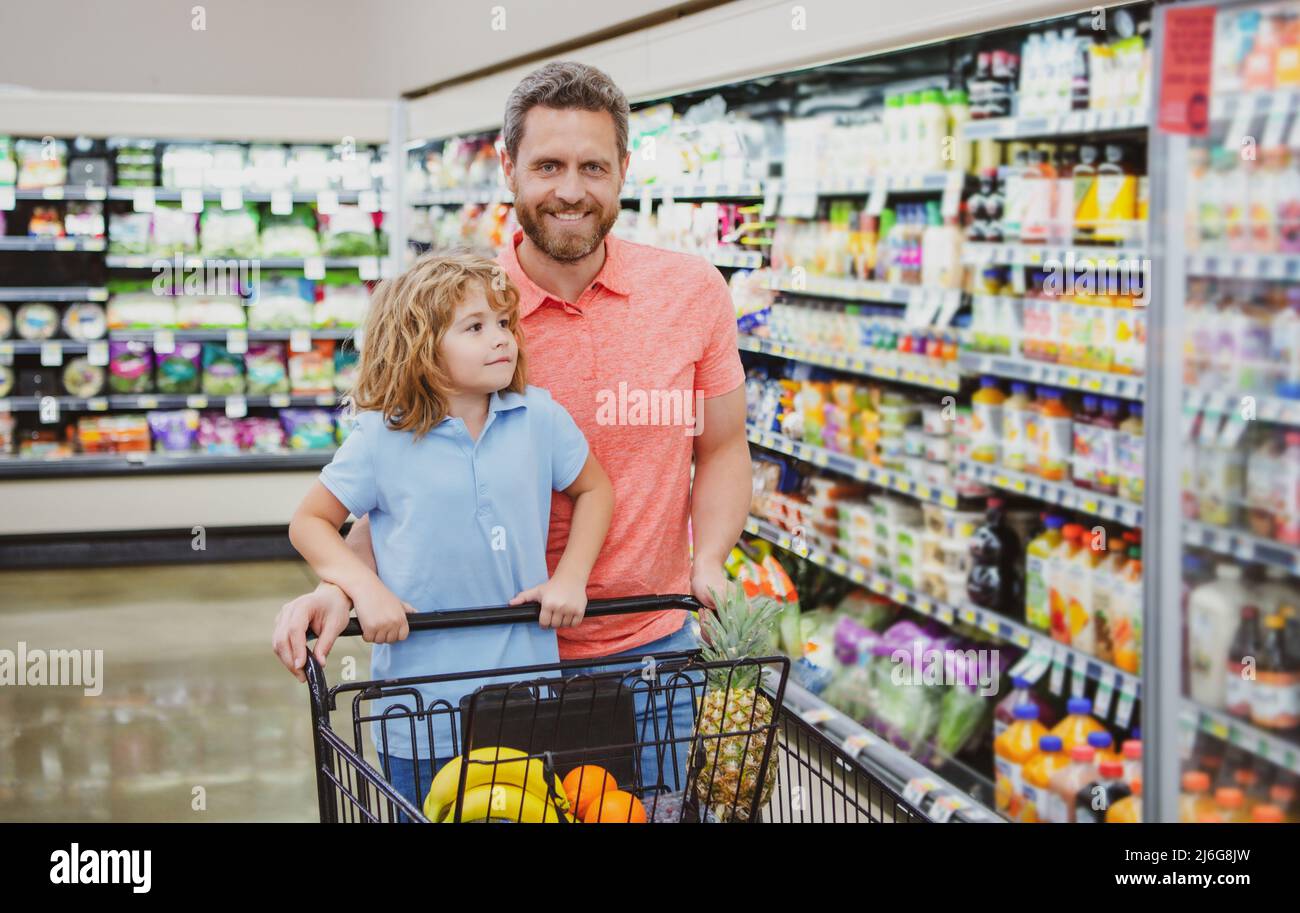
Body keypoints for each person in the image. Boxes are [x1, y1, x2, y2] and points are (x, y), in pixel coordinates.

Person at [274, 60, 752, 795]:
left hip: (649, 639)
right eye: (548, 165)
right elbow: (410, 477)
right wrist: (347, 585)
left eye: (594, 166)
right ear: (507, 167)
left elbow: (720, 446)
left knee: (640, 813)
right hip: (479, 659)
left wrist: (710, 560)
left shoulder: (691, 292)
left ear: (624, 167)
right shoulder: (458, 311)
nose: (570, 189)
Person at [286, 251, 613, 814]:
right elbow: (310, 522)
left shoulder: (538, 417)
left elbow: (595, 490)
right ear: (420, 345)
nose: (501, 339)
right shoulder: (381, 439)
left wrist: (571, 577)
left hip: (525, 696)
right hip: (419, 710)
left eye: (505, 323)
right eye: (475, 327)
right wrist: (365, 590)